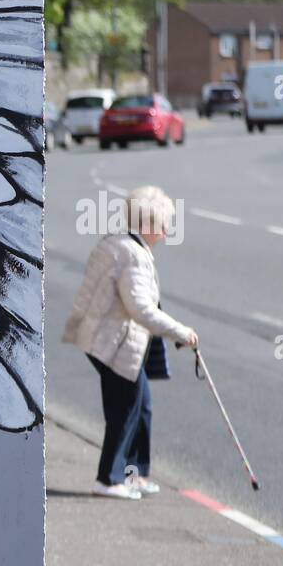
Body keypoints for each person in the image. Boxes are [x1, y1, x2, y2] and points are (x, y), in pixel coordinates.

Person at [62, 185, 198, 500]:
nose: (166, 232)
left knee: (141, 405)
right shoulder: (132, 255)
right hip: (111, 343)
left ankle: (131, 474)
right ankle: (109, 480)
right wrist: (181, 332)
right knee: (126, 408)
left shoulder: (118, 243)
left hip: (106, 339)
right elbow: (141, 310)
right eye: (163, 225)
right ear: (148, 225)